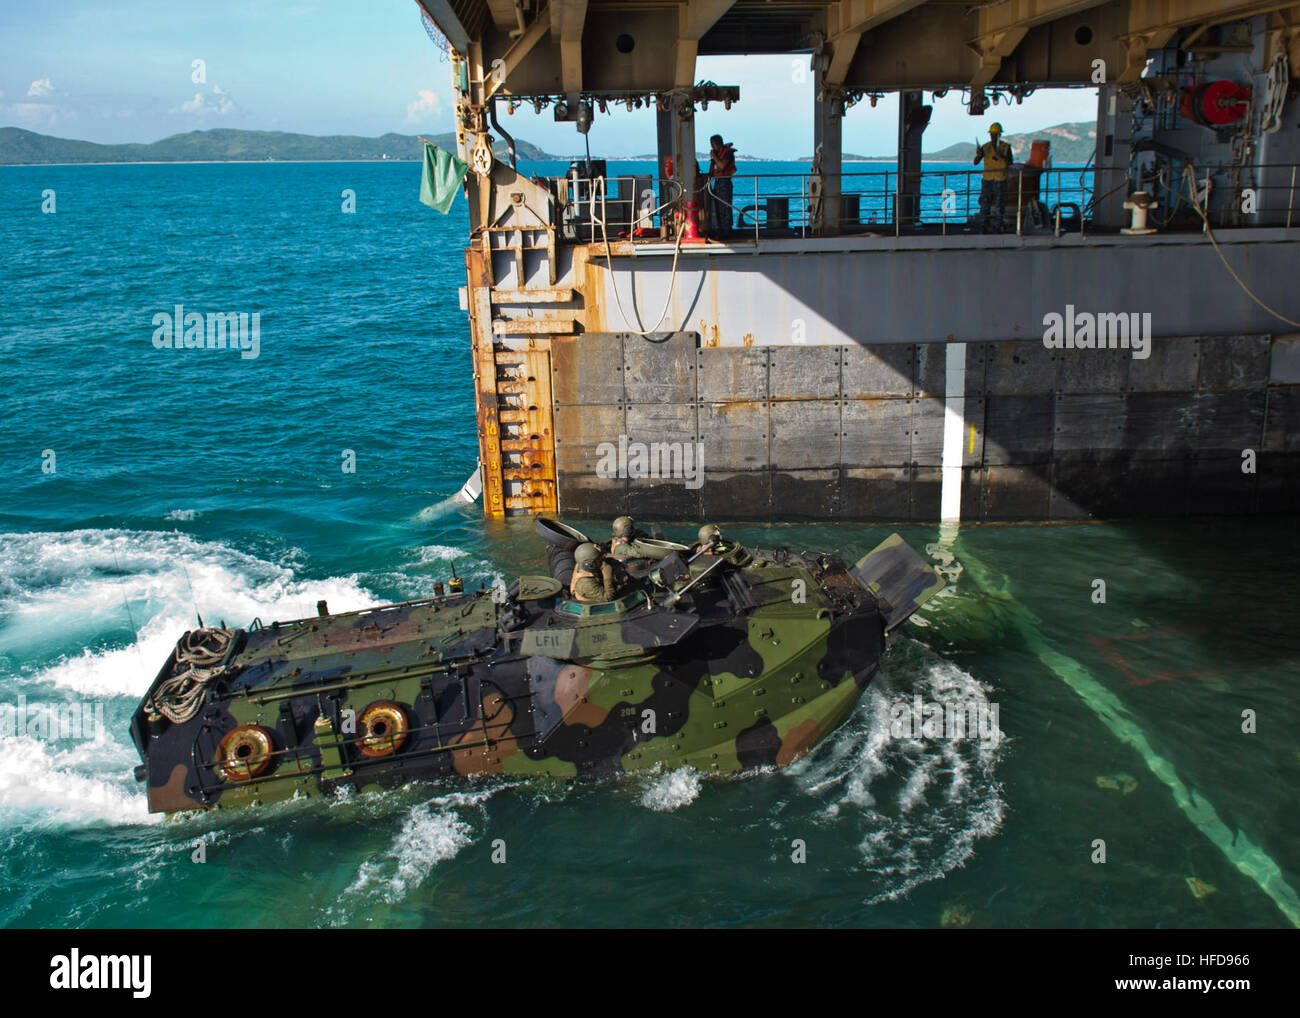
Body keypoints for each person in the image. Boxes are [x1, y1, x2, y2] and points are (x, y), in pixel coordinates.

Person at [973, 122, 1013, 234]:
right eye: (992, 134)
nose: (994, 136)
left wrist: (1001, 156)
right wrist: (978, 154)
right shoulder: (986, 147)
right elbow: (975, 162)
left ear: (1000, 135)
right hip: (987, 179)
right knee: (985, 205)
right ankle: (983, 227)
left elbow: (1010, 162)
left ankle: (997, 227)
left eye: (996, 134)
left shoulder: (1005, 147)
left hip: (1000, 179)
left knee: (999, 205)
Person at [707, 134, 737, 237]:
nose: (712, 147)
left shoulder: (727, 153)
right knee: (718, 207)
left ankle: (727, 231)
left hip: (724, 183)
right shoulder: (718, 154)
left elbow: (722, 166)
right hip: (717, 182)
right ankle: (720, 229)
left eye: (713, 144)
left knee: (725, 206)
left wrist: (714, 156)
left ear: (717, 144)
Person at [608, 516, 672, 563]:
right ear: (628, 530)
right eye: (631, 527)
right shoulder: (621, 546)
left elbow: (644, 536)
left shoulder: (622, 538)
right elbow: (639, 553)